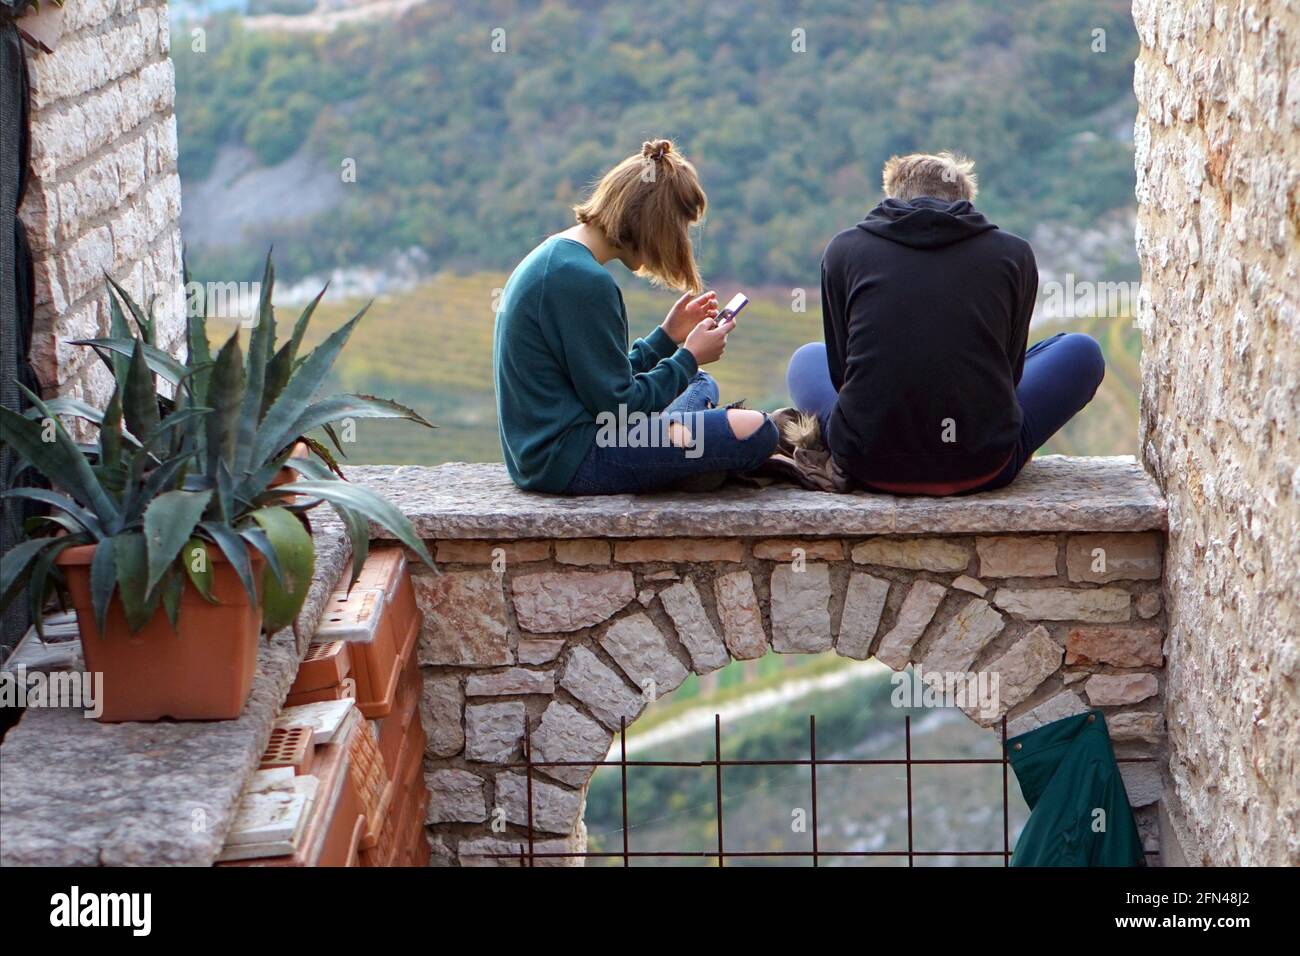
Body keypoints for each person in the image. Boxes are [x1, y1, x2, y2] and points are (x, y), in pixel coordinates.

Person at [786, 151, 1105, 496]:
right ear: (964, 198)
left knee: (806, 358)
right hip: (983, 465)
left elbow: (840, 373)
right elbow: (1009, 376)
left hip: (867, 463)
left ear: (893, 195)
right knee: (1082, 351)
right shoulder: (1013, 254)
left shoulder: (843, 251)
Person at [494, 139, 778, 495]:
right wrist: (688, 356)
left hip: (552, 449)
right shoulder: (582, 281)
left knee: (701, 383)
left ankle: (677, 459)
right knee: (756, 430)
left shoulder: (558, 256)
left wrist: (666, 338)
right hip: (575, 458)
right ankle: (678, 464)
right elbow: (621, 408)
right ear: (654, 226)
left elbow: (600, 382)